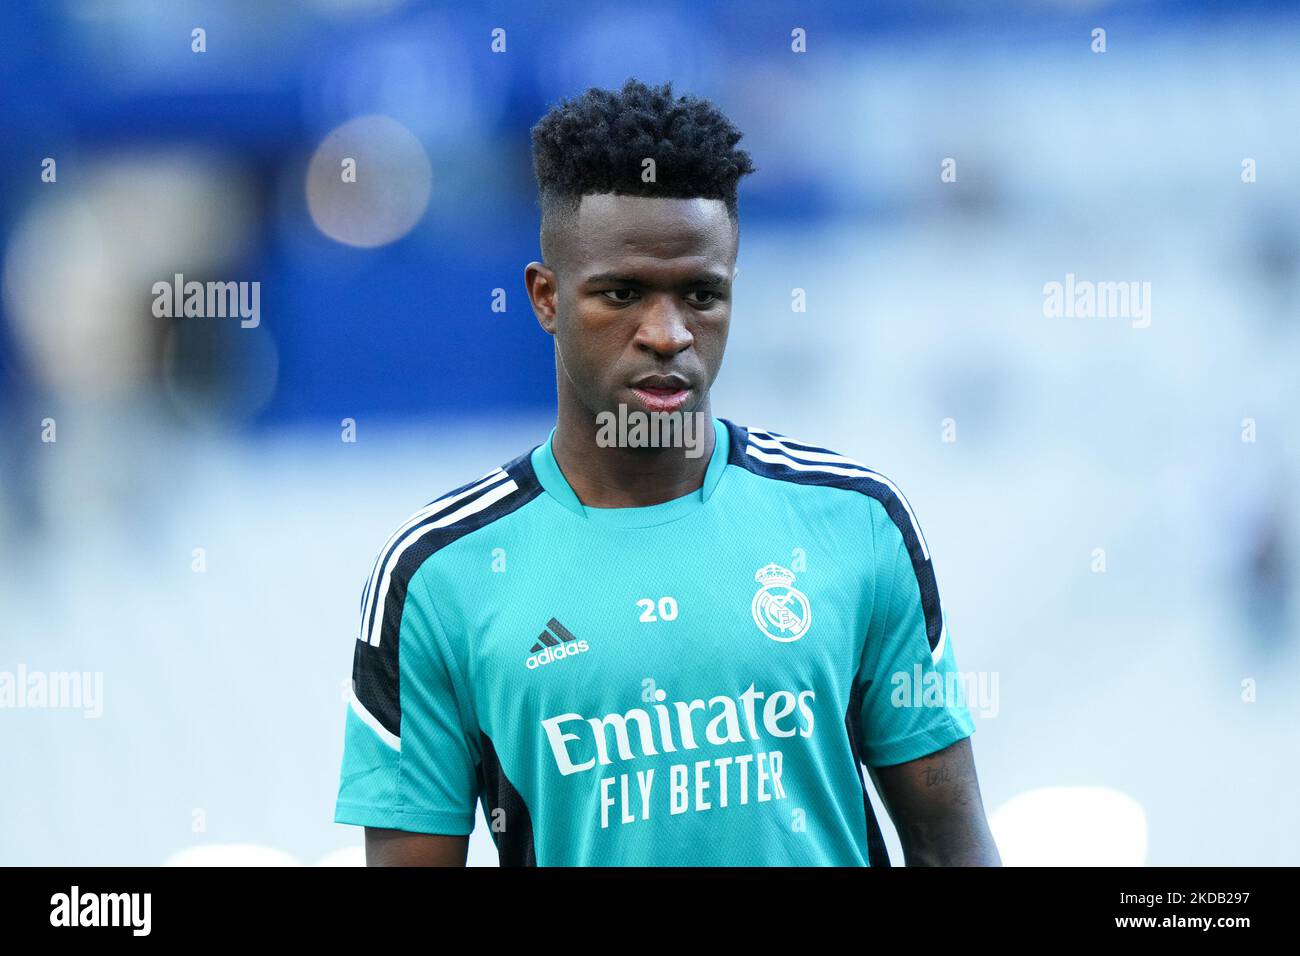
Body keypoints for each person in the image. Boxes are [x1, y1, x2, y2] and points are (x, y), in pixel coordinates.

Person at [334, 77, 1000, 867]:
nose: (668, 333)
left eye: (701, 295)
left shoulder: (857, 521)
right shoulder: (438, 577)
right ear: (546, 298)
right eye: (621, 294)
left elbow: (951, 848)